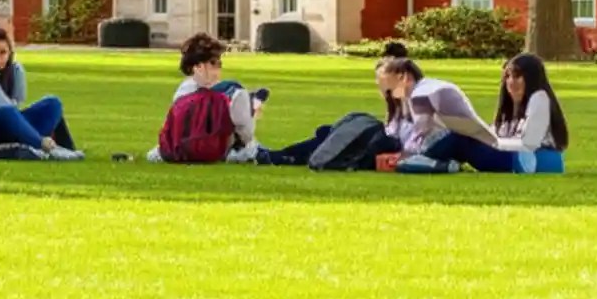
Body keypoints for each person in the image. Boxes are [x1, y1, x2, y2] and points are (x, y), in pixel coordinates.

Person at [254, 41, 410, 167]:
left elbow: (403, 134)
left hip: (389, 144)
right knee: (333, 132)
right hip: (384, 139)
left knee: (338, 135)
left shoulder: (408, 95)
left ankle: (282, 156)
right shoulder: (398, 94)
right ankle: (281, 155)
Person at [423, 53, 570, 174]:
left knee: (459, 138)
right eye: (508, 77)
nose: (511, 82)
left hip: (522, 160)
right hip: (516, 157)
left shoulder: (539, 102)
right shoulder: (514, 110)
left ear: (532, 79)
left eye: (517, 76)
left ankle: (419, 158)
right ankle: (437, 162)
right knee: (461, 133)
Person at [147, 33, 269, 163]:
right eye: (214, 63)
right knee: (236, 95)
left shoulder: (182, 94)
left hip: (183, 149)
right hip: (219, 149)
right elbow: (246, 135)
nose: (218, 69)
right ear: (198, 67)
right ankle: (254, 102)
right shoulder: (223, 95)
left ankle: (253, 103)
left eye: (219, 64)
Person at [0, 25, 83, 160]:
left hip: (12, 126)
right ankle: (43, 146)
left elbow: (18, 103)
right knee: (6, 112)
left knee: (52, 103)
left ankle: (31, 144)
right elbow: (2, 105)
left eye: (3, 52)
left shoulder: (15, 70)